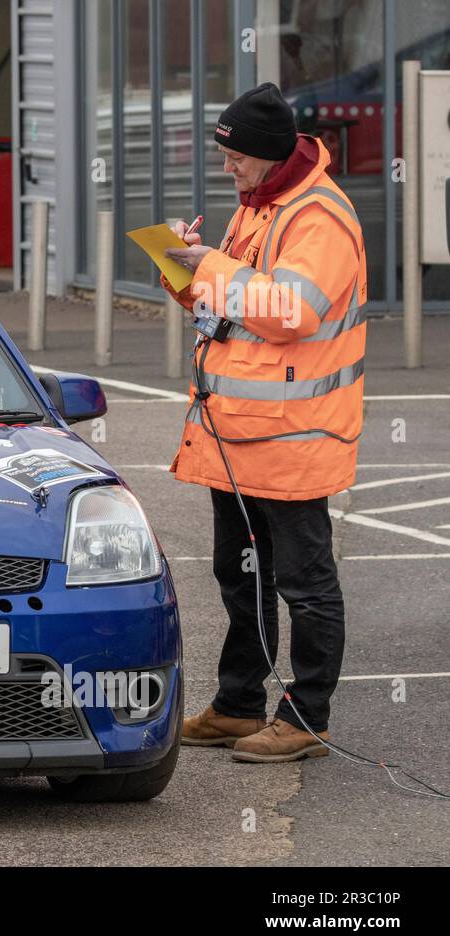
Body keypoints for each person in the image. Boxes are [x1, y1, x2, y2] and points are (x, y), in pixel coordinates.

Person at [161, 82, 367, 763]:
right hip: (240, 433)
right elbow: (231, 308)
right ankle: (239, 701)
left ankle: (306, 719)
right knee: (240, 575)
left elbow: (290, 311)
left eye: (234, 157)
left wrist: (212, 265)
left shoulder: (319, 217)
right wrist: (182, 270)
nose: (227, 169)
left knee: (305, 585)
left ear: (269, 155)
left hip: (294, 439)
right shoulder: (261, 206)